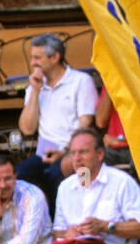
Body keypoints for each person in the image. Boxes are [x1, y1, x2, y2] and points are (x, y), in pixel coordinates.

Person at [16, 33, 98, 206]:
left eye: (37, 58)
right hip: (43, 154)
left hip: (72, 152)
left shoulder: (81, 81)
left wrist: (65, 150)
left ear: (55, 57)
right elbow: (27, 129)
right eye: (32, 57)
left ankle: (59, 227)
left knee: (55, 176)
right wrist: (36, 90)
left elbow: (86, 122)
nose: (32, 63)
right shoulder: (34, 86)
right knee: (21, 176)